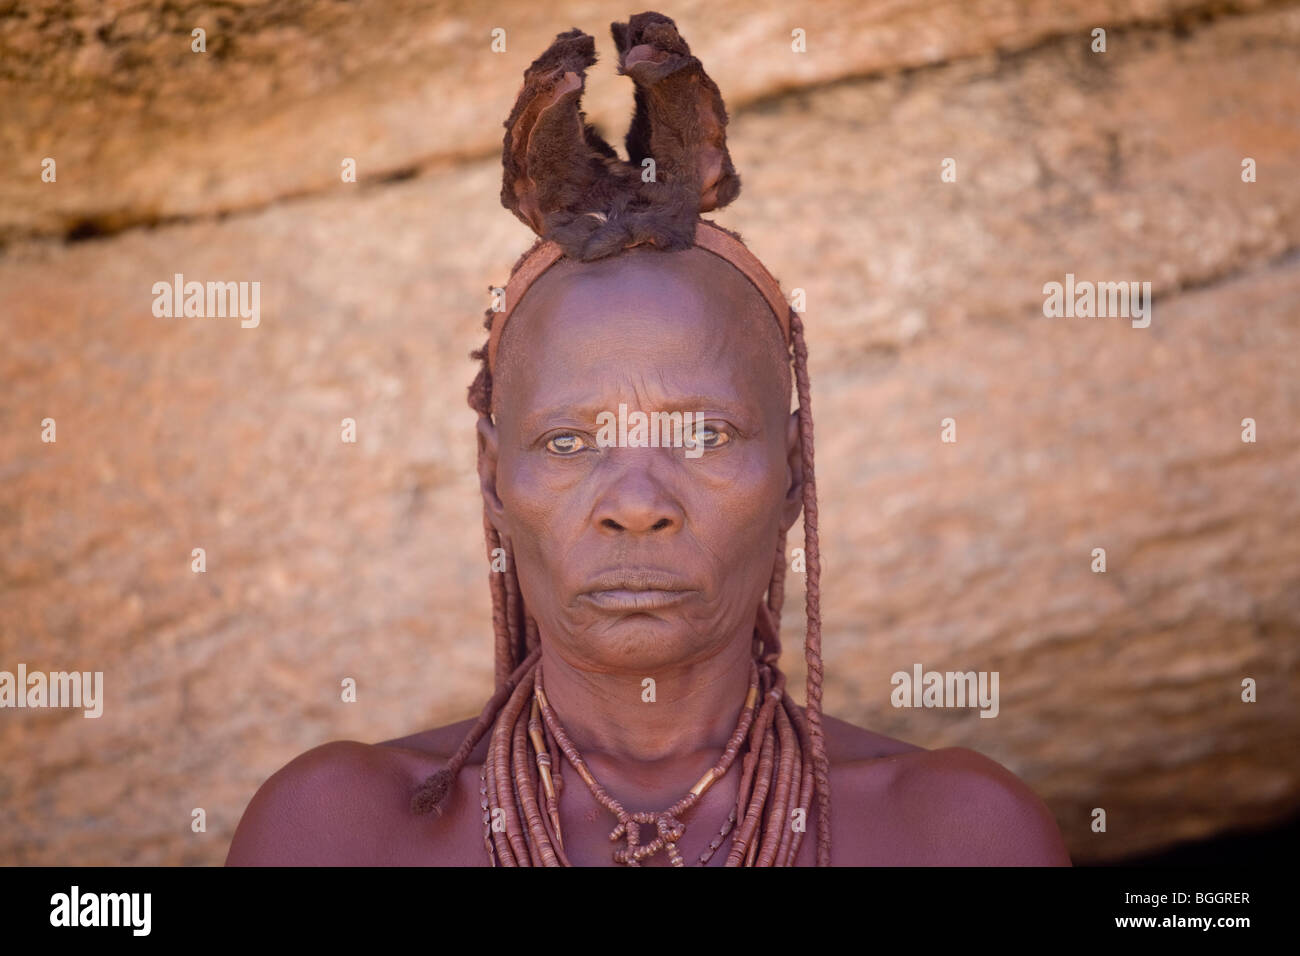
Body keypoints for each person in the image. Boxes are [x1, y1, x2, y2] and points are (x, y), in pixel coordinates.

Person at [226, 11, 1070, 867]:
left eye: (702, 434)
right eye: (567, 443)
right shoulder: (337, 832)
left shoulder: (956, 835)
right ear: (492, 477)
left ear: (793, 473)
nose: (636, 505)